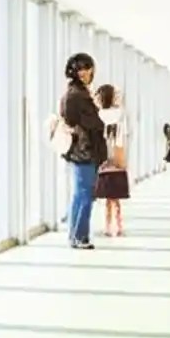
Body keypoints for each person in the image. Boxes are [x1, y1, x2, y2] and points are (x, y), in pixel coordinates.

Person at [59, 53, 107, 249]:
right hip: (84, 150)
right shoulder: (76, 95)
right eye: (81, 68)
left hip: (83, 150)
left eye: (88, 68)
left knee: (80, 194)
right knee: (85, 194)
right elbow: (78, 120)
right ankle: (80, 236)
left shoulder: (78, 92)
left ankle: (75, 236)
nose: (86, 72)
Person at [93, 84, 131, 237]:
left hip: (104, 162)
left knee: (108, 200)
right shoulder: (120, 114)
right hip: (118, 160)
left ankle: (108, 226)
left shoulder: (98, 114)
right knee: (116, 199)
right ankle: (119, 225)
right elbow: (123, 138)